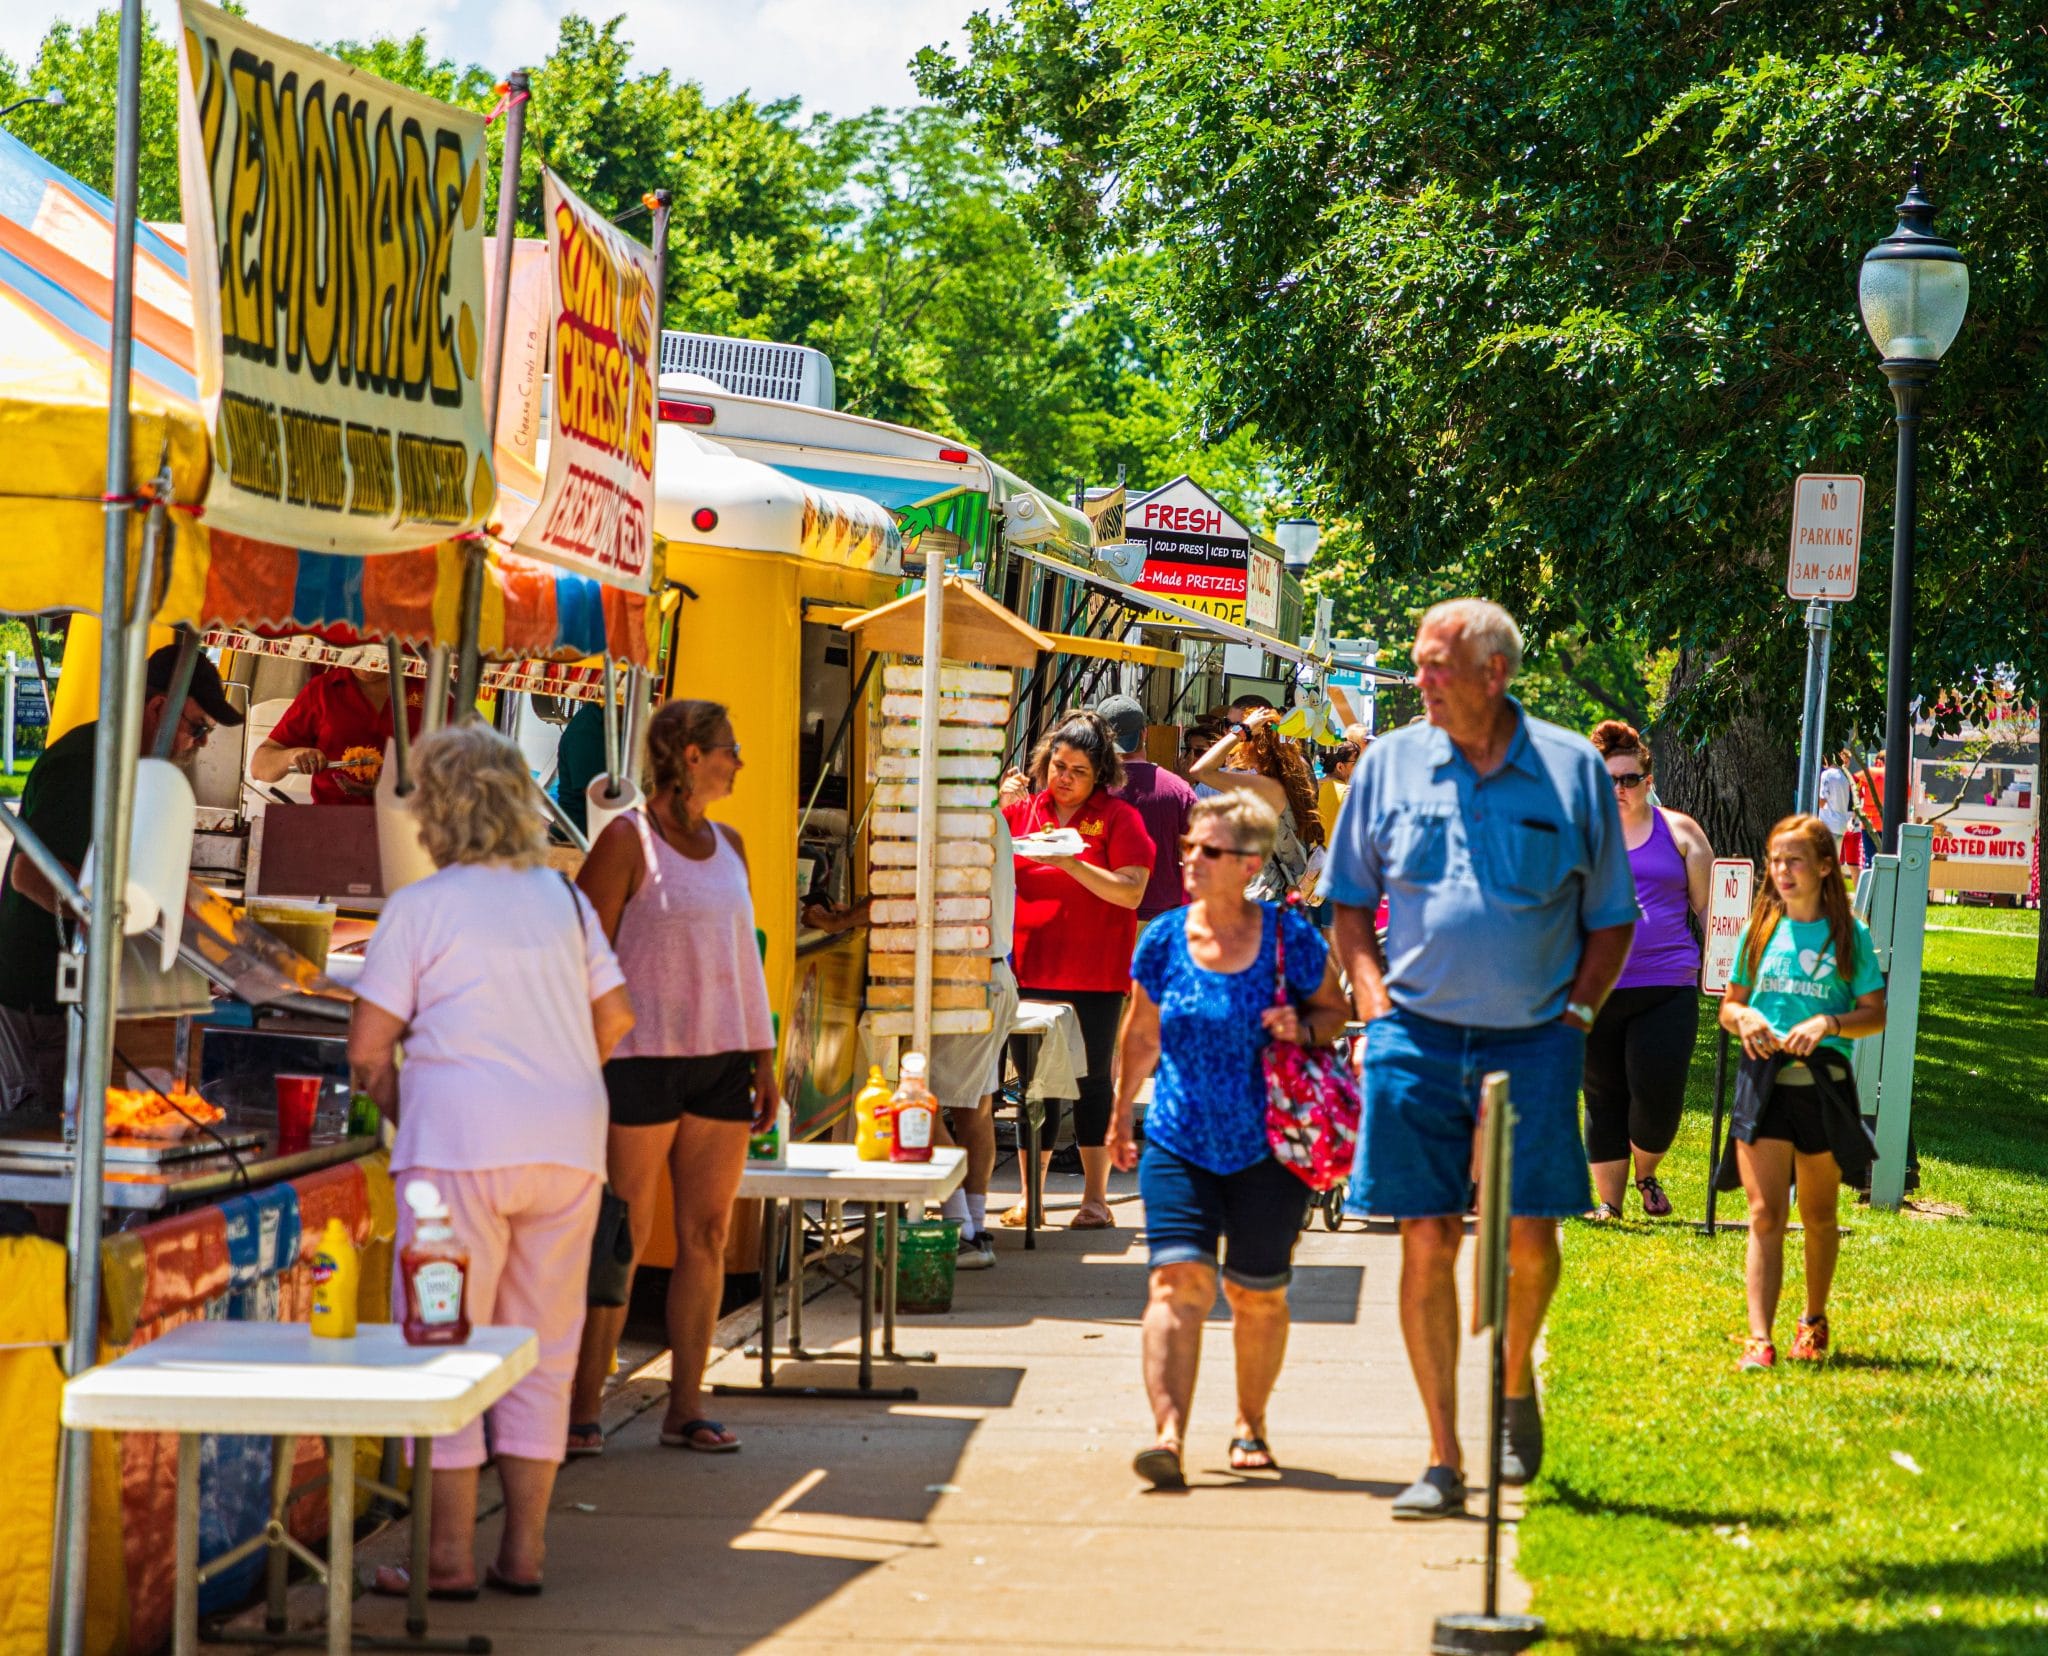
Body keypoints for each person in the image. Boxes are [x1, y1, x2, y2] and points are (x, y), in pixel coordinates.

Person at [1324, 598, 1637, 1519]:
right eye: (1419, 663)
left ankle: (1512, 1381)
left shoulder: (1572, 770)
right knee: (1426, 1236)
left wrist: (1577, 1016)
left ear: (1494, 673)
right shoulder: (1389, 765)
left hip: (1535, 1039)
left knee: (1529, 1234)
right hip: (1414, 1038)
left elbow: (1612, 917)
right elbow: (1348, 904)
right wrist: (1374, 1008)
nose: (1419, 680)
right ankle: (1442, 1455)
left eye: (1435, 666)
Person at [348, 723, 635, 1596]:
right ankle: (525, 1552)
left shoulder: (422, 907)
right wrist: (552, 1070)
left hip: (457, 1154)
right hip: (568, 1149)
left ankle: (444, 1560)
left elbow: (367, 1051)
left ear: (437, 811)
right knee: (543, 1349)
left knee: (445, 1342)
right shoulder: (563, 901)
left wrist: (407, 1106)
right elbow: (616, 1019)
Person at [1111, 794, 1351, 1488]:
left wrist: (1302, 1028)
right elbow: (1141, 1033)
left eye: (1206, 851)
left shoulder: (1289, 938)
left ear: (1248, 864)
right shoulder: (1161, 939)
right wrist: (1120, 1113)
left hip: (1270, 1146)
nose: (1189, 858)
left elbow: (1336, 1013)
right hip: (1180, 1136)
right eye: (1188, 846)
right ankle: (1168, 1436)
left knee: (1256, 1294)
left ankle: (1250, 1423)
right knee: (1175, 1283)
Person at [567, 699, 778, 1456]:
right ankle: (583, 1405)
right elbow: (580, 951)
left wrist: (765, 1059)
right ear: (690, 755)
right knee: (623, 1235)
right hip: (640, 1058)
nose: (739, 762)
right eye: (730, 748)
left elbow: (744, 960)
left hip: (722, 1060)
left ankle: (685, 1405)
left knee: (710, 1235)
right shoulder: (628, 841)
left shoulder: (732, 845)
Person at [0, 645, 245, 1112]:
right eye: (200, 728)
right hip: (35, 1001)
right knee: (40, 1139)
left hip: (73, 999)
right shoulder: (89, 763)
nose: (202, 743)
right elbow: (31, 874)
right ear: (158, 708)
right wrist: (125, 928)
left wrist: (219, 943)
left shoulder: (141, 774)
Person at [1717, 814, 1886, 1371]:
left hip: (1822, 1092)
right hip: (1763, 1088)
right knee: (1764, 1214)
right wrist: (1745, 1021)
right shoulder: (1760, 929)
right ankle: (1758, 1339)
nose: (1781, 871)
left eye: (1793, 860)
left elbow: (1874, 1014)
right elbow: (1730, 1005)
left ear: (1823, 867)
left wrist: (1829, 1025)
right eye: (1774, 860)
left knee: (1817, 1213)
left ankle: (1813, 1321)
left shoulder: (1848, 934)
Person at [998, 710, 1154, 1230]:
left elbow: (1131, 890)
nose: (1063, 778)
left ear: (1100, 774)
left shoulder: (1117, 818)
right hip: (1031, 967)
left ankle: (1094, 1198)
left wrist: (1070, 863)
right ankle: (1030, 1196)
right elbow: (986, 865)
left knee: (1089, 1085)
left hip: (1095, 972)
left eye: (1078, 771)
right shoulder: (1023, 810)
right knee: (1033, 1085)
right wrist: (996, 809)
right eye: (1057, 765)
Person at [1583, 720, 1714, 1220]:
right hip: (1596, 985)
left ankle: (1647, 1169)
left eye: (1629, 779)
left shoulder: (1679, 831)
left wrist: (1730, 966)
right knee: (1602, 1096)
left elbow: (1710, 911)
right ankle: (1609, 1204)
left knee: (1657, 1099)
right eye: (1608, 780)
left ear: (1648, 780)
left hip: (1666, 984)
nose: (1619, 789)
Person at [928, 813, 1020, 1270]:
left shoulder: (958, 816)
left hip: (967, 976)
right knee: (975, 1105)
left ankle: (961, 1226)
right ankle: (975, 1224)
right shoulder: (991, 816)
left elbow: (918, 899)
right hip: (994, 972)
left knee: (914, 1105)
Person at [250, 646, 430, 804]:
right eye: (357, 648)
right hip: (333, 822)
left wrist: (397, 787)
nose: (365, 658)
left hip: (410, 821)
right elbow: (259, 765)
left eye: (376, 649)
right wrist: (293, 756)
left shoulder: (428, 690)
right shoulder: (322, 690)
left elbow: (454, 767)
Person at [1187, 706, 1324, 900]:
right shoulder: (1293, 779)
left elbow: (1201, 771)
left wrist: (1241, 730)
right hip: (1282, 898)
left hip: (1263, 898)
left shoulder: (1265, 787)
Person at [1098, 693, 1196, 932]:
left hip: (1100, 914)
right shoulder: (1178, 790)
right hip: (1160, 921)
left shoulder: (1089, 788)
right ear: (1145, 734)